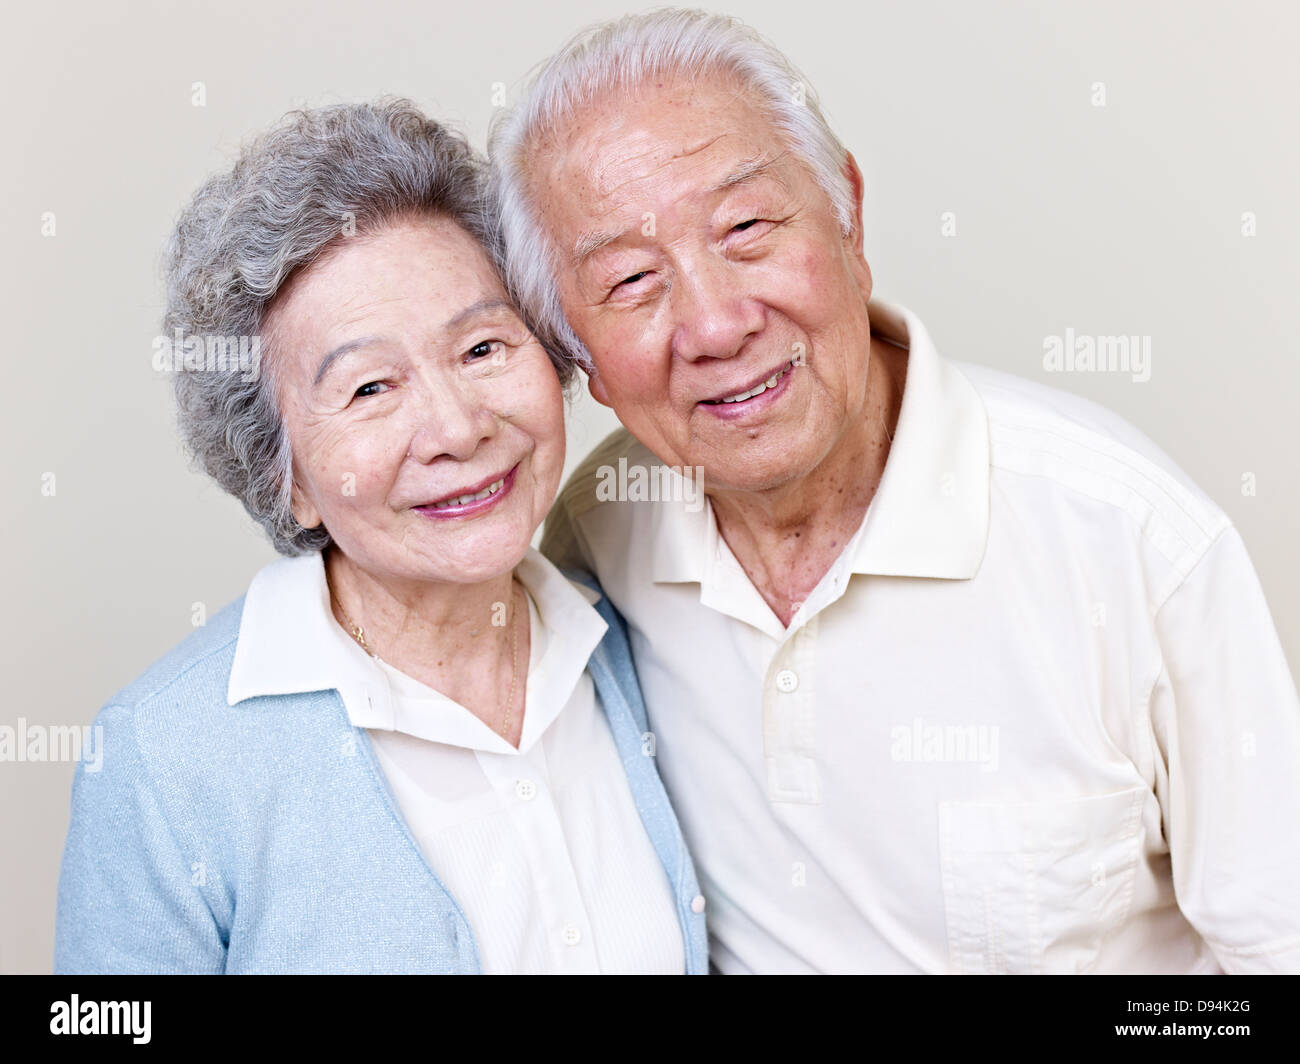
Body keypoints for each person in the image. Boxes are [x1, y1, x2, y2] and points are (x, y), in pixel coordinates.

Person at [487, 9, 1300, 973]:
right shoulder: (589, 541)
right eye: (630, 280)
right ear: (578, 360)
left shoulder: (1131, 542)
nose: (714, 323)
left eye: (746, 227)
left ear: (848, 218)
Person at [54, 98, 707, 974]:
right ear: (285, 476)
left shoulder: (635, 630)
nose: (456, 428)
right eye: (369, 389)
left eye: (481, 349)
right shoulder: (164, 758)